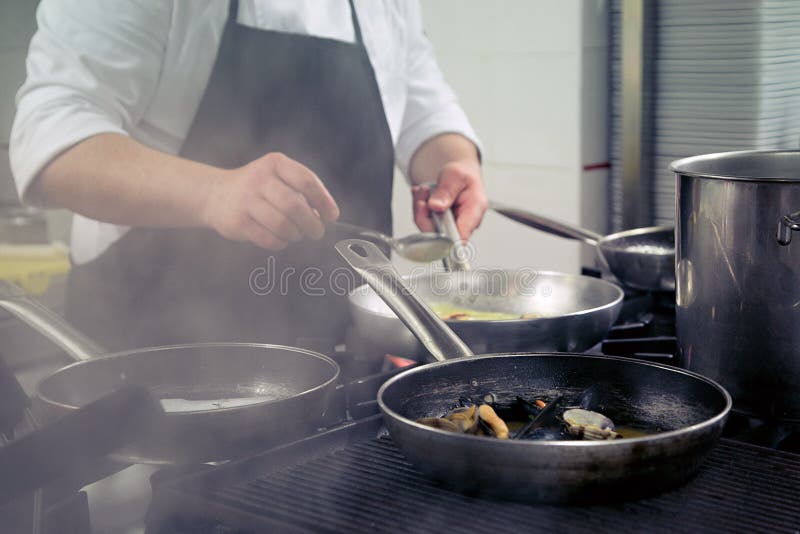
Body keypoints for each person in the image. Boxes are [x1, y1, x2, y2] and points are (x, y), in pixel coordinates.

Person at [9, 0, 487, 351]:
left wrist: (453, 164)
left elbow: (423, 107)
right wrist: (212, 192)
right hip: (149, 350)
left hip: (340, 349)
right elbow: (52, 139)